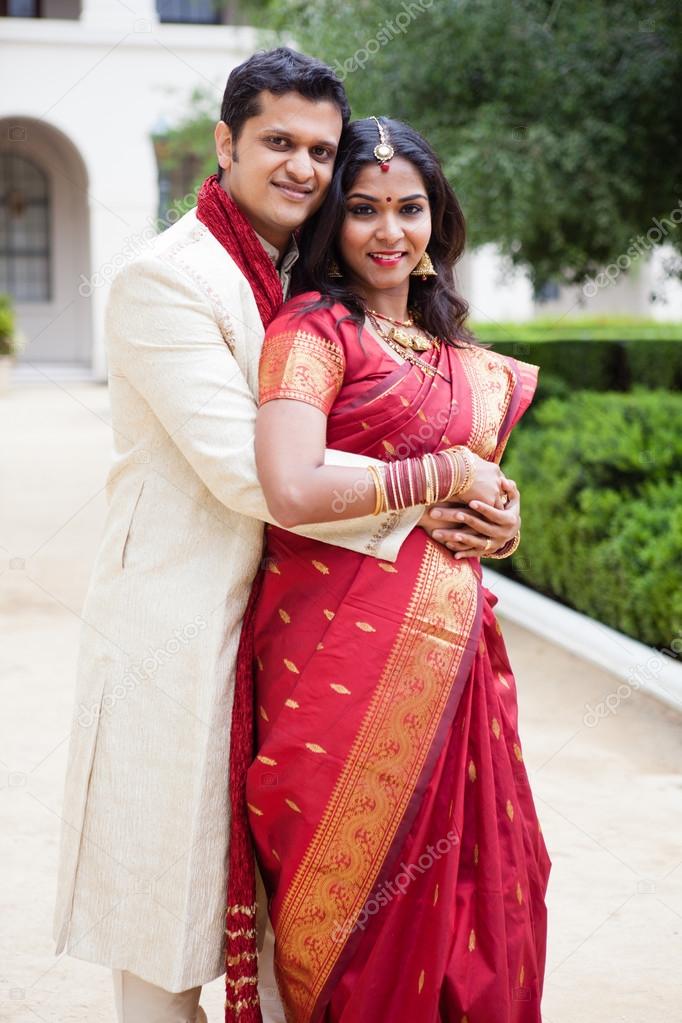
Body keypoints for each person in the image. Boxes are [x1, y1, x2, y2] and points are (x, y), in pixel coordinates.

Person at [53, 51, 519, 1023]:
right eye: (277, 143)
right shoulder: (168, 279)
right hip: (177, 639)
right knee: (164, 928)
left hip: (295, 632)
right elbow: (253, 472)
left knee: (287, 926)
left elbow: (381, 431)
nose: (302, 167)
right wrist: (449, 485)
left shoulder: (310, 281)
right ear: (225, 145)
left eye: (318, 148)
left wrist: (488, 506)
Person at [229, 116, 550, 1023]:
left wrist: (501, 520)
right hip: (332, 664)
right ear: (332, 223)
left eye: (409, 208)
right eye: (363, 209)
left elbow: (481, 492)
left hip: (457, 664)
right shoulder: (310, 333)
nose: (387, 231)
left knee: (487, 893)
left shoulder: (459, 353)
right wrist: (447, 473)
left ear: (436, 221)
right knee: (357, 917)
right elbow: (291, 488)